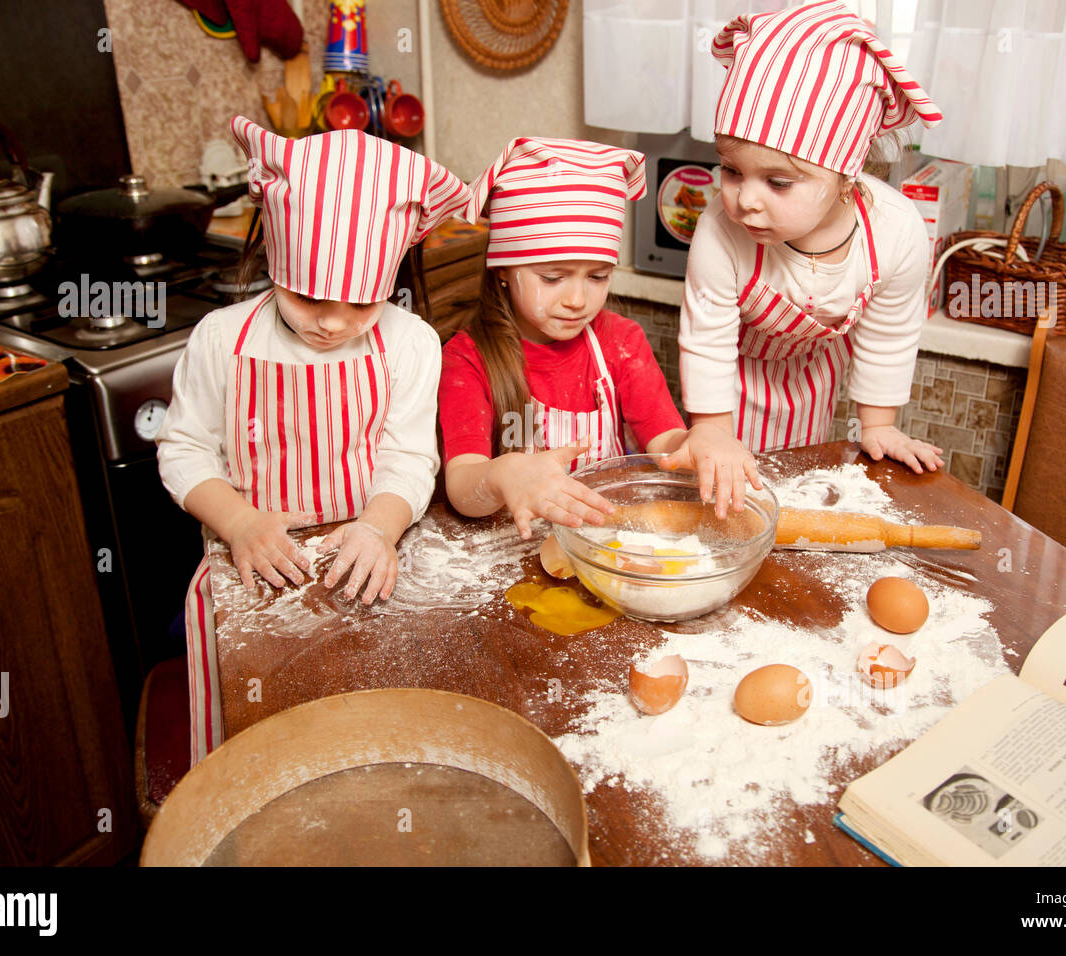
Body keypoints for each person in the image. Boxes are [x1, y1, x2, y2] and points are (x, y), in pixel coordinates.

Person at [157, 115, 468, 764]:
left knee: (370, 742)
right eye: (306, 296)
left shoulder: (409, 342)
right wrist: (239, 522)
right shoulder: (221, 337)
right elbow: (183, 449)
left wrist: (379, 530)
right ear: (273, 252)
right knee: (259, 757)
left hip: (367, 562)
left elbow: (409, 458)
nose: (331, 323)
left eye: (360, 305)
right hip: (251, 574)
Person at [439, 137, 756, 536]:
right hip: (511, 547)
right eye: (553, 278)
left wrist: (702, 438)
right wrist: (505, 473)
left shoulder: (621, 342)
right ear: (503, 269)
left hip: (607, 538)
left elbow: (666, 444)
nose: (577, 300)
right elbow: (462, 485)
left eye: (598, 276)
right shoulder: (468, 358)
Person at [680, 0, 946, 474]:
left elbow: (890, 335)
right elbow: (707, 344)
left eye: (778, 182)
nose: (745, 201)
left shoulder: (895, 232)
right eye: (732, 170)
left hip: (814, 390)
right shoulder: (720, 231)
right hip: (725, 393)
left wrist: (878, 426)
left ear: (847, 175)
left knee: (797, 486)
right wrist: (713, 435)